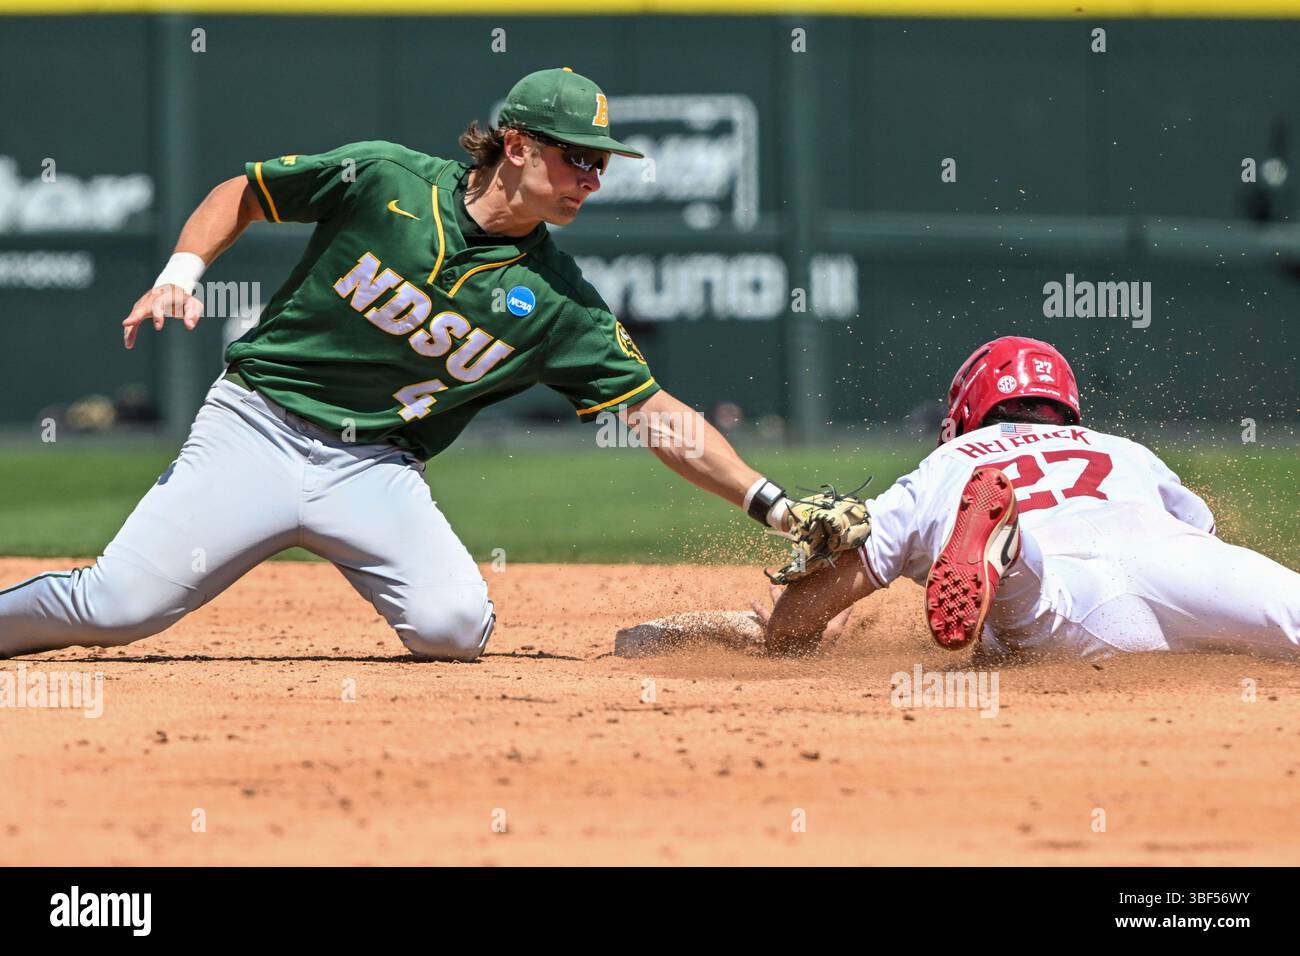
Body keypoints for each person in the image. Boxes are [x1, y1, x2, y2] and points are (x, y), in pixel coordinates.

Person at [0, 68, 802, 662]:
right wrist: (180, 275)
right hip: (257, 425)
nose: (590, 180)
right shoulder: (386, 179)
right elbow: (244, 193)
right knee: (118, 606)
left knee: (455, 629)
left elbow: (652, 411)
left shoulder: (560, 301)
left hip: (373, 469)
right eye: (576, 158)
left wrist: (772, 505)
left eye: (600, 165)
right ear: (516, 146)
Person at [759, 335, 1300, 661]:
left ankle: (1010, 553)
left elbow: (797, 620)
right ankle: (1009, 550)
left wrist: (798, 626)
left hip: (1071, 592)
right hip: (1185, 564)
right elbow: (1202, 532)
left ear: (964, 415)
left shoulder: (950, 462)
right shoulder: (1121, 449)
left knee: (1032, 607)